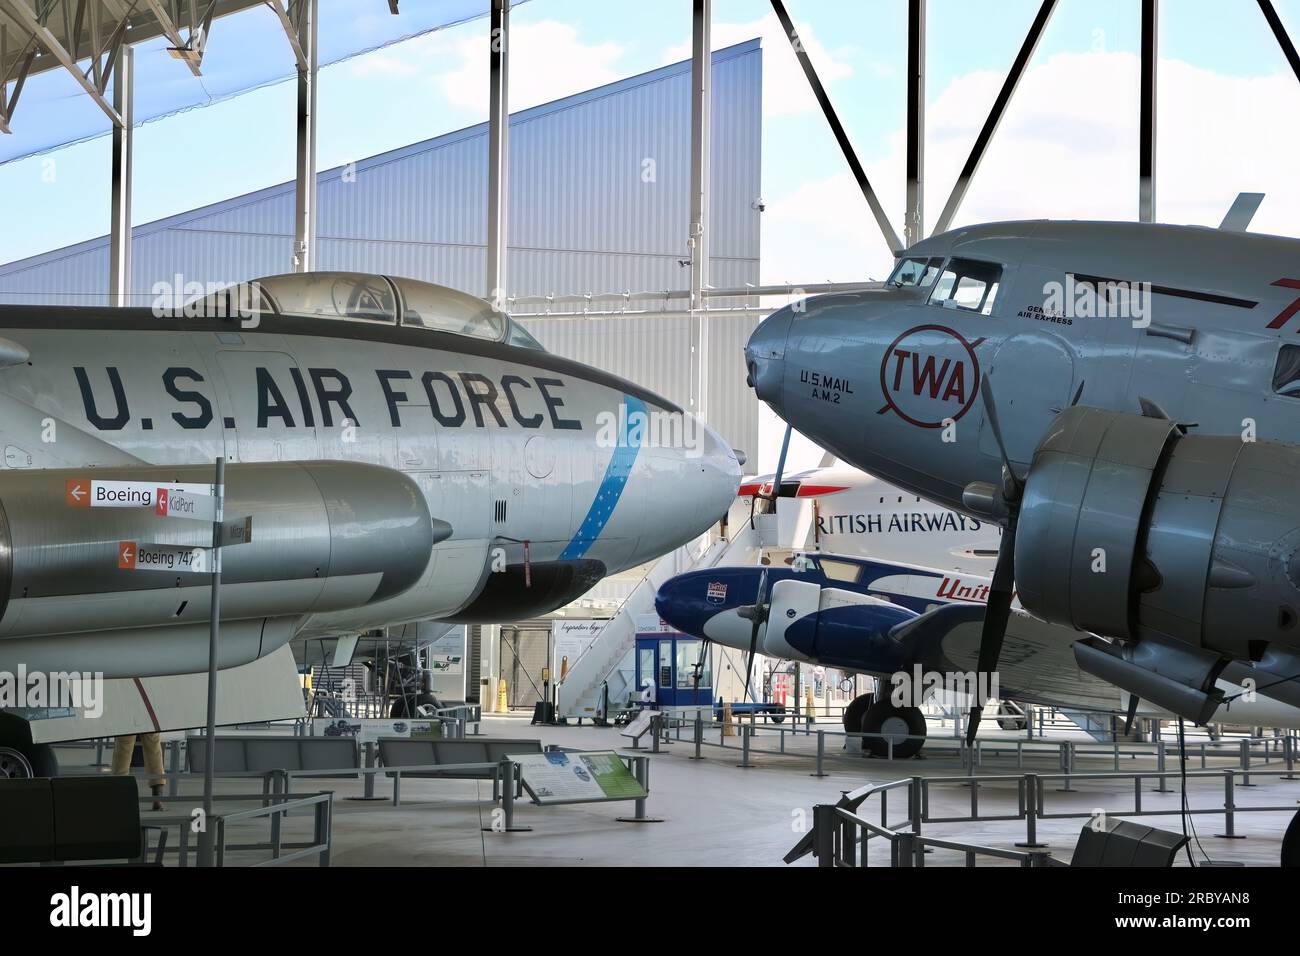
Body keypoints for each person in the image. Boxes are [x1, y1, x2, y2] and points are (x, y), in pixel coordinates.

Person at [111, 732, 165, 811]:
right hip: (149, 720)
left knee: (123, 749)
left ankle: (119, 797)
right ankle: (157, 799)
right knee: (154, 749)